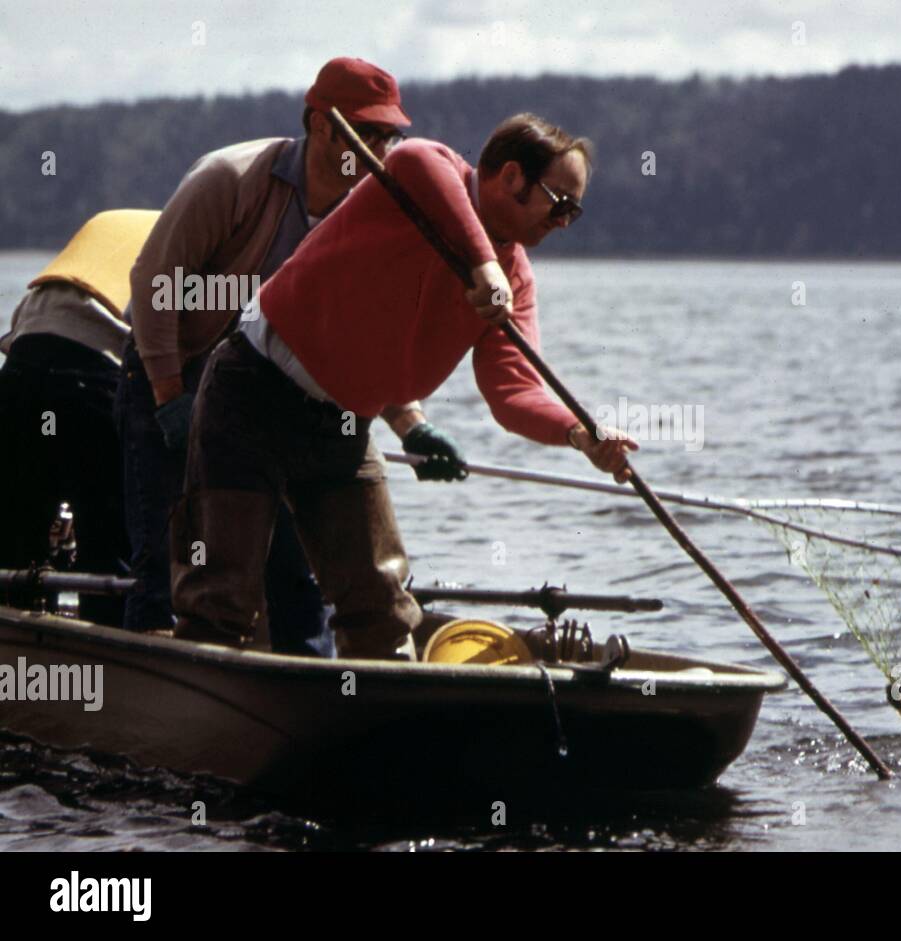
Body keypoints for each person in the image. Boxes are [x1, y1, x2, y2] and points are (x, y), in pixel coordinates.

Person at [171, 113, 637, 659]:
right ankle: (202, 708)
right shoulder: (424, 176)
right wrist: (482, 264)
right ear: (512, 177)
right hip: (252, 392)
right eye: (561, 204)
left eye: (574, 213)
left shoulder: (513, 282)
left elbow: (513, 396)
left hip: (342, 428)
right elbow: (415, 157)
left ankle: (382, 716)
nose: (564, 222)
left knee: (381, 609)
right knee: (220, 596)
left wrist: (579, 433)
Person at [116, 57, 441, 656]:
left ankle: (307, 681)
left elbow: (368, 337)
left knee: (298, 564)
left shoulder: (371, 212)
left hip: (272, 392)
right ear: (321, 125)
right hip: (176, 371)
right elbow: (154, 282)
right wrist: (169, 398)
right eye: (364, 133)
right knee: (174, 555)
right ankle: (159, 692)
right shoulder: (230, 179)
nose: (378, 148)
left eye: (389, 137)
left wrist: (411, 422)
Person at [0, 210, 159, 625]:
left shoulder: (106, 228)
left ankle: (19, 643)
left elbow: (16, 337)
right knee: (111, 544)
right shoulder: (190, 250)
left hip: (19, 373)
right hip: (92, 381)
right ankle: (112, 653)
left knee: (13, 539)